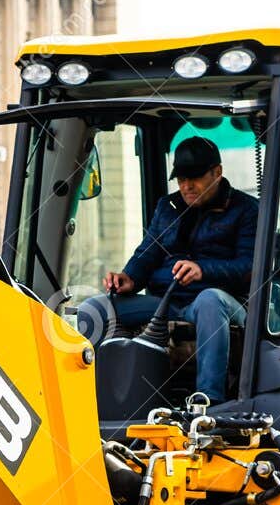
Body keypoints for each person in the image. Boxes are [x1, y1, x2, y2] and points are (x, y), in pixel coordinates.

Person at [76, 135, 260, 400]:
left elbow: (249, 267)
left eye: (194, 178)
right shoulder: (168, 207)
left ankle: (208, 402)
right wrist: (129, 277)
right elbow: (147, 254)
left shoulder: (246, 211)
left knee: (210, 299)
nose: (187, 187)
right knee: (94, 309)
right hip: (168, 301)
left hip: (223, 305)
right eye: (182, 179)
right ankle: (86, 399)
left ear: (217, 173)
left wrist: (203, 270)